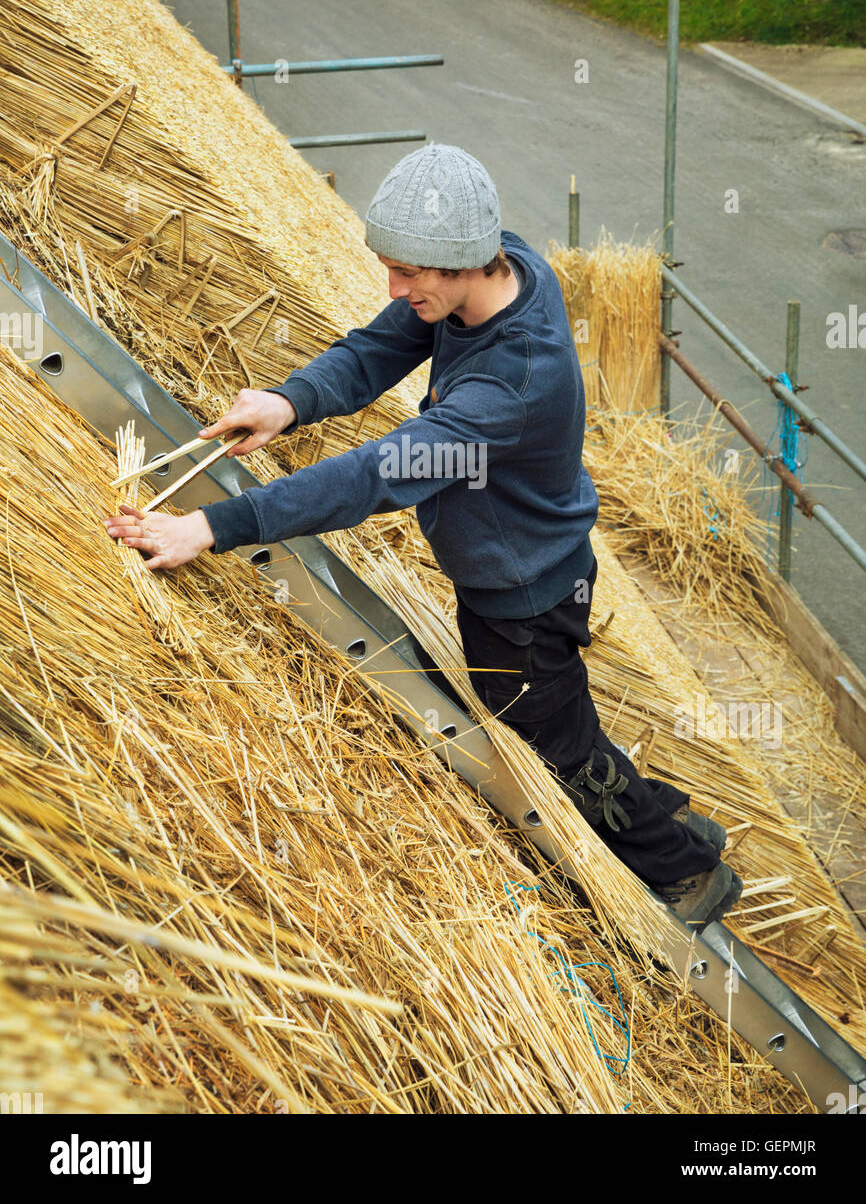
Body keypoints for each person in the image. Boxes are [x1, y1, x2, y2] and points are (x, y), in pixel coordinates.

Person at [104, 142, 742, 930]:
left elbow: (377, 474)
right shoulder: (500, 275)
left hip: (522, 599)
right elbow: (380, 348)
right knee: (563, 720)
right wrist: (289, 401)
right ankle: (678, 821)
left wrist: (211, 524)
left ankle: (689, 872)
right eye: (391, 267)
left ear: (465, 263)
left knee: (559, 747)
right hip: (529, 566)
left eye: (410, 274)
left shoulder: (514, 383)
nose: (395, 288)